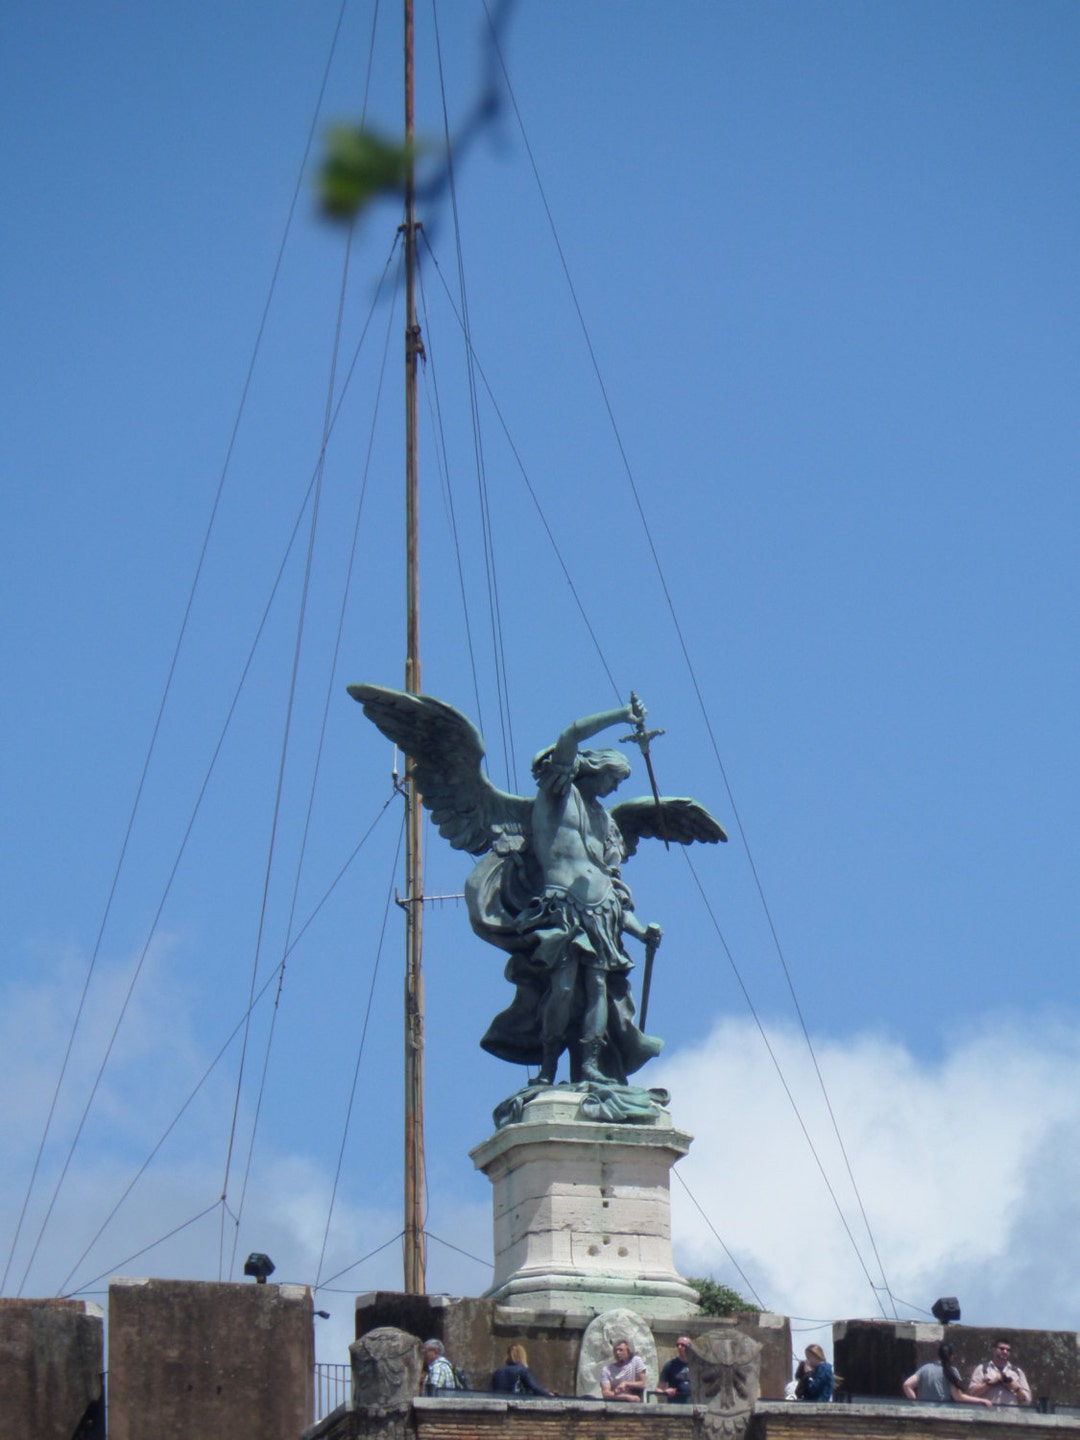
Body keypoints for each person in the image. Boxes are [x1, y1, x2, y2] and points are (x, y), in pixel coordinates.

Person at [902, 1343, 992, 1406]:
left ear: (938, 1355)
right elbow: (958, 1397)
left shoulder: (925, 1368)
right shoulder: (952, 1371)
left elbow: (907, 1385)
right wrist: (981, 1400)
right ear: (952, 1357)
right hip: (944, 1414)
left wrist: (915, 1403)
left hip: (924, 1412)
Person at [969, 1339, 1032, 1407]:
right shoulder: (982, 1369)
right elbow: (972, 1394)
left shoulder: (1017, 1372)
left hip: (1011, 1415)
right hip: (987, 1415)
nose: (1005, 1352)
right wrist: (990, 1383)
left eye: (1008, 1350)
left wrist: (1015, 1388)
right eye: (1002, 1349)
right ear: (994, 1350)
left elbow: (1027, 1400)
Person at [655, 1336, 692, 1403]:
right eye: (678, 1345)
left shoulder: (697, 1366)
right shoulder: (670, 1365)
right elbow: (658, 1389)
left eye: (683, 1345)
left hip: (694, 1405)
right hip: (675, 1405)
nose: (679, 1347)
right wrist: (665, 1392)